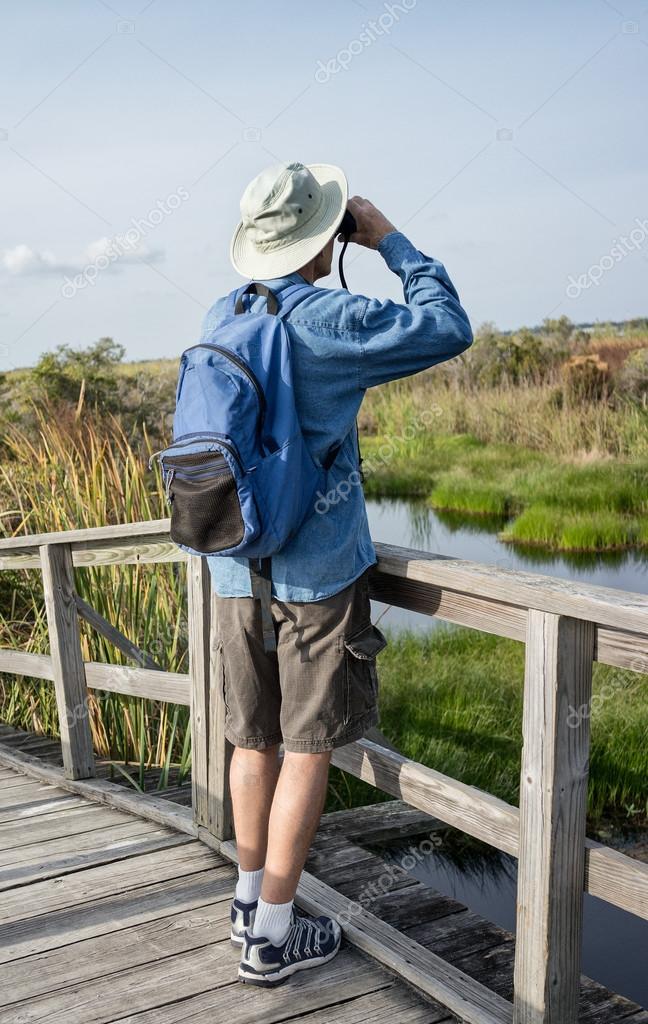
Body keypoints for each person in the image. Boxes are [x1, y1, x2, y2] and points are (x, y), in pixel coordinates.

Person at [199, 161, 473, 986]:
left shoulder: (227, 310)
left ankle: (251, 902)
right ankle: (274, 940)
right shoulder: (331, 317)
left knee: (251, 740)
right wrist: (390, 240)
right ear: (327, 236)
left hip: (229, 566)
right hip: (315, 579)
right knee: (308, 749)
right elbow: (447, 325)